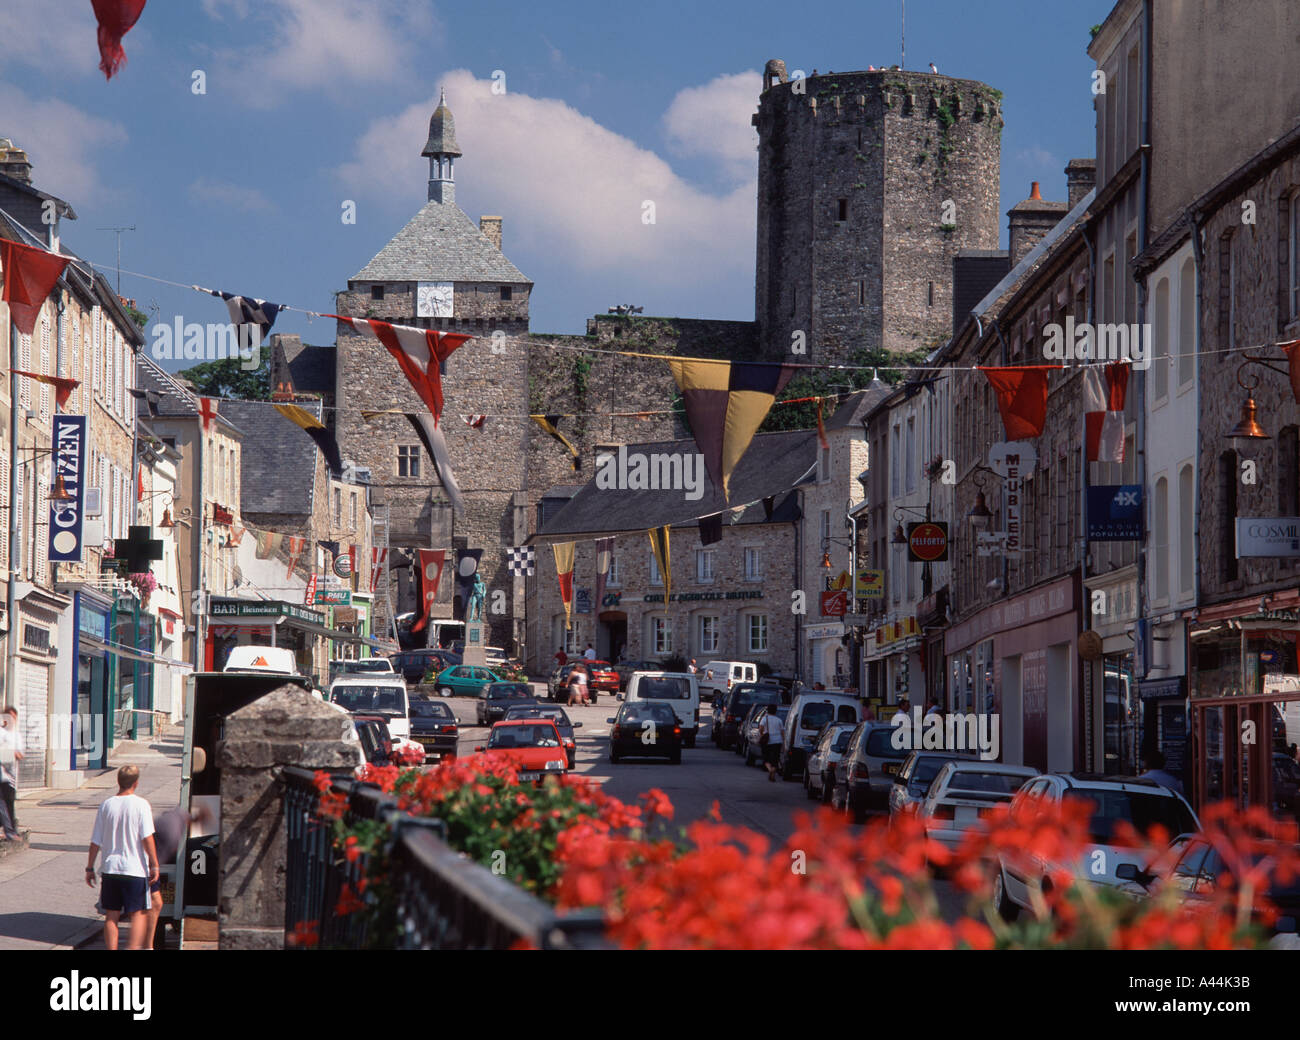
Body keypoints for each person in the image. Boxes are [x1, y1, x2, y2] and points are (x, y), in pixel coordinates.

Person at [86, 765, 159, 950]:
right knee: (138, 915)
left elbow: (96, 840)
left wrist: (89, 867)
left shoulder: (106, 805)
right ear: (136, 783)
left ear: (118, 782)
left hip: (110, 869)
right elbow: (147, 838)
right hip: (134, 869)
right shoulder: (141, 805)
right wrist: (154, 864)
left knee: (111, 916)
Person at [143, 802, 212, 950]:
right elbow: (161, 856)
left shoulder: (175, 817)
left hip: (151, 862)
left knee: (155, 907)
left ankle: (151, 943)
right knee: (155, 905)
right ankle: (147, 945)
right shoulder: (174, 831)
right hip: (153, 868)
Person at [0, 706, 23, 836]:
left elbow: (20, 755)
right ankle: (10, 830)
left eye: (14, 717)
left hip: (10, 776)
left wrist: (10, 753)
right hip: (2, 774)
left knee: (9, 802)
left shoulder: (16, 736)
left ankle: (11, 830)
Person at [761, 709, 784, 782]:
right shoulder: (779, 720)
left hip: (767, 742)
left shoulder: (764, 719)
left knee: (766, 759)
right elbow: (782, 732)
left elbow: (760, 729)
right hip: (777, 741)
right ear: (775, 711)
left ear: (767, 711)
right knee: (775, 759)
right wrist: (784, 742)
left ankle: (770, 769)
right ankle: (773, 773)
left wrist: (762, 735)